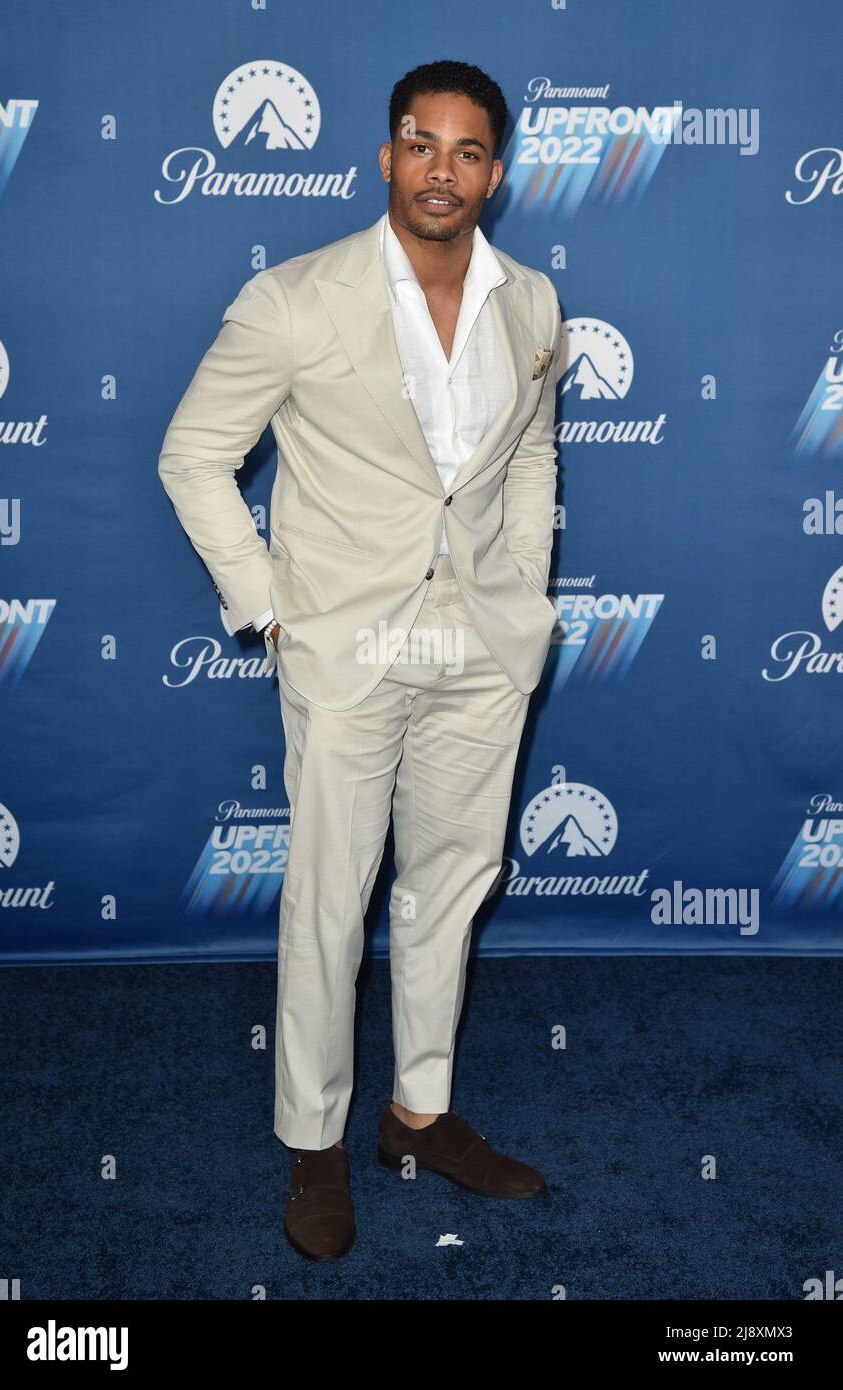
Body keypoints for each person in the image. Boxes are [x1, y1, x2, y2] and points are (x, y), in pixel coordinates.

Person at [158, 59, 561, 1261]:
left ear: (495, 172)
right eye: (419, 144)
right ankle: (315, 1144)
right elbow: (191, 456)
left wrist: (522, 592)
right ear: (384, 158)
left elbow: (530, 458)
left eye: (467, 150)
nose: (442, 168)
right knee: (330, 906)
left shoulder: (531, 305)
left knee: (447, 891)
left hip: (480, 648)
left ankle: (417, 1115)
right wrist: (273, 613)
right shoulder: (292, 299)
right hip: (347, 648)